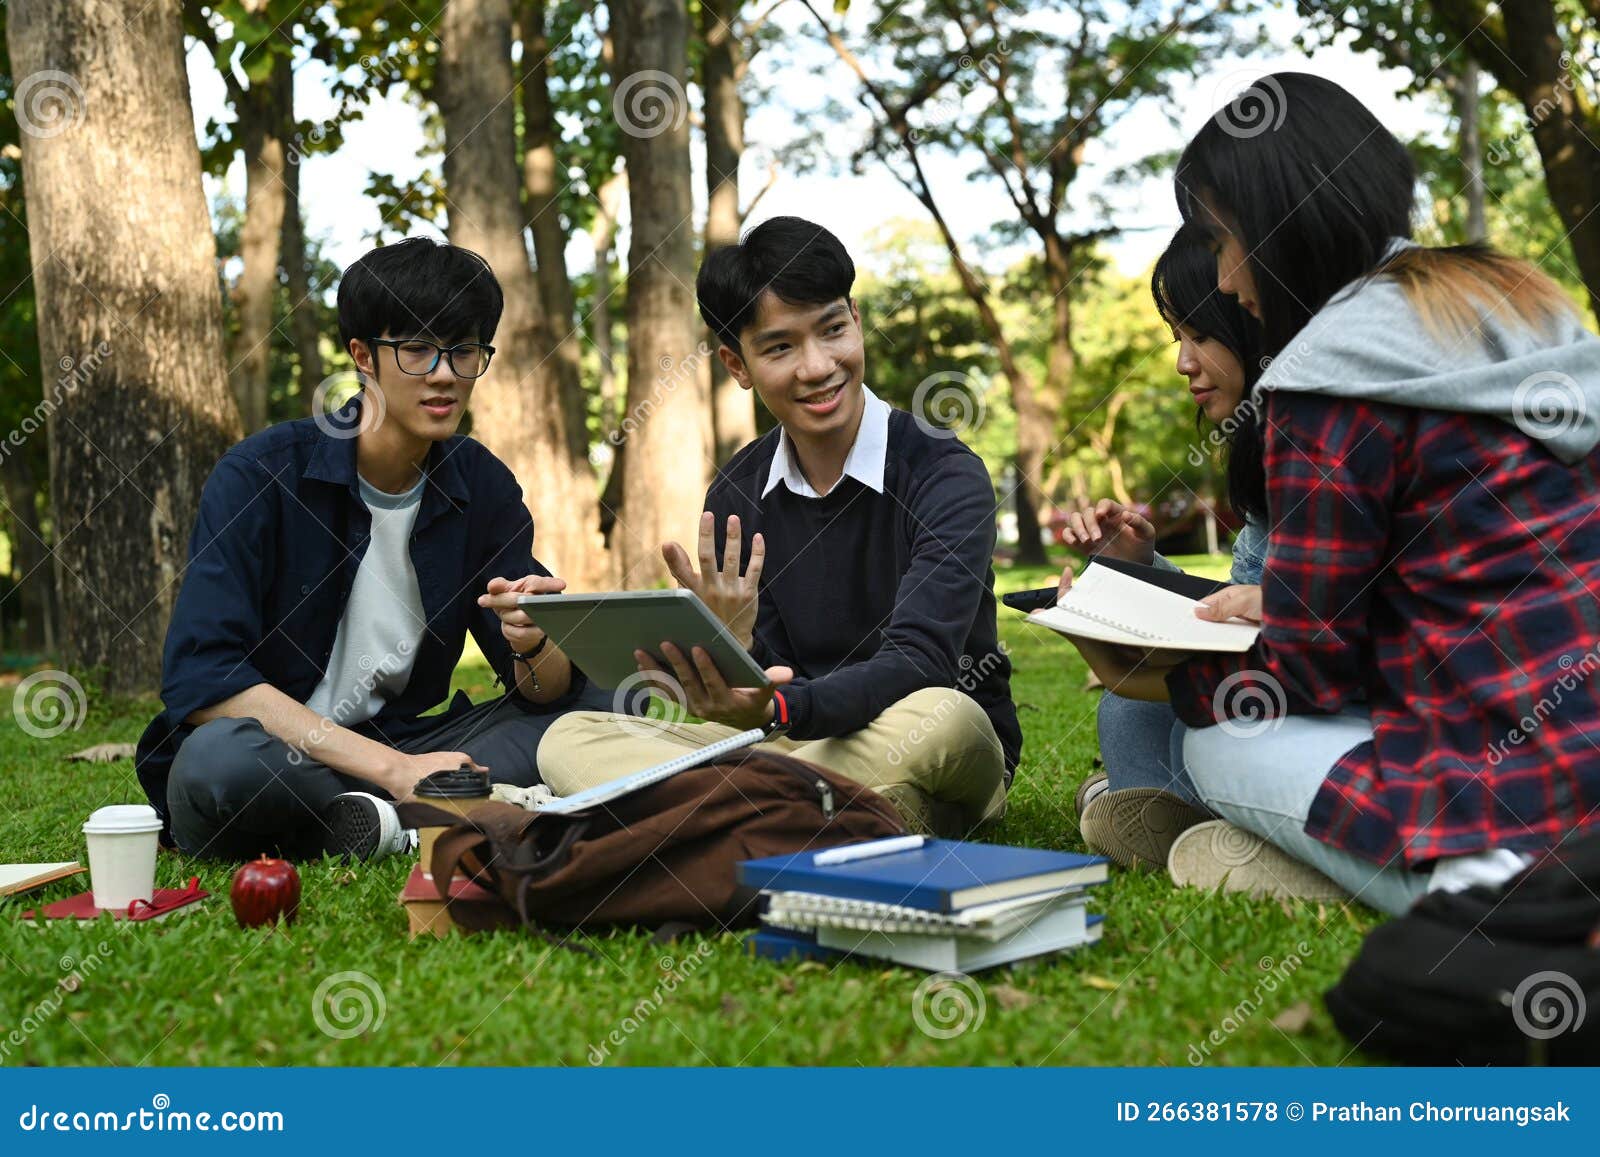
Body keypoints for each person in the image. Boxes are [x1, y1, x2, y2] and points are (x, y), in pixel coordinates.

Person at [1072, 72, 1600, 915]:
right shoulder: (1508, 298)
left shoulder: (1327, 377)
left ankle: (1477, 891)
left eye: (1220, 239)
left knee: (1218, 744)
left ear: (1276, 231)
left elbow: (1307, 674)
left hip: (1512, 794)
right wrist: (1270, 600)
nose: (1225, 274)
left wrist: (1152, 675)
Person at [531, 216, 1022, 836]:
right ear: (737, 365)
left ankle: (720, 808)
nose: (817, 367)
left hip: (922, 727)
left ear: (858, 323)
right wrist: (735, 646)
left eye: (832, 330)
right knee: (570, 737)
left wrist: (781, 706)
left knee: (946, 716)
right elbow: (763, 684)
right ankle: (837, 811)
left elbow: (920, 661)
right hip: (790, 740)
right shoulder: (737, 491)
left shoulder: (944, 472)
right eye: (780, 347)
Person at [134, 238, 615, 862]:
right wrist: (392, 771)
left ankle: (372, 822)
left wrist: (535, 642)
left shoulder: (481, 485)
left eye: (463, 351)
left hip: (408, 744)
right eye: (416, 350)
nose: (444, 373)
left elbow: (543, 691)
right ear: (362, 355)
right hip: (280, 753)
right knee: (219, 765)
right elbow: (203, 678)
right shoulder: (261, 475)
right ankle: (416, 809)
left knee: (602, 700)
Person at [1057, 225, 1335, 885]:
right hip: (1291, 704)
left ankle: (1212, 822)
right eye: (1176, 337)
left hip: (1342, 711)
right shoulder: (1262, 446)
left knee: (1205, 728)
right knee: (1130, 709)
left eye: (1199, 335)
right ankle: (1187, 815)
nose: (1183, 363)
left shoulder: (1322, 433)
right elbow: (1240, 596)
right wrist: (1139, 569)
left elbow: (1316, 628)